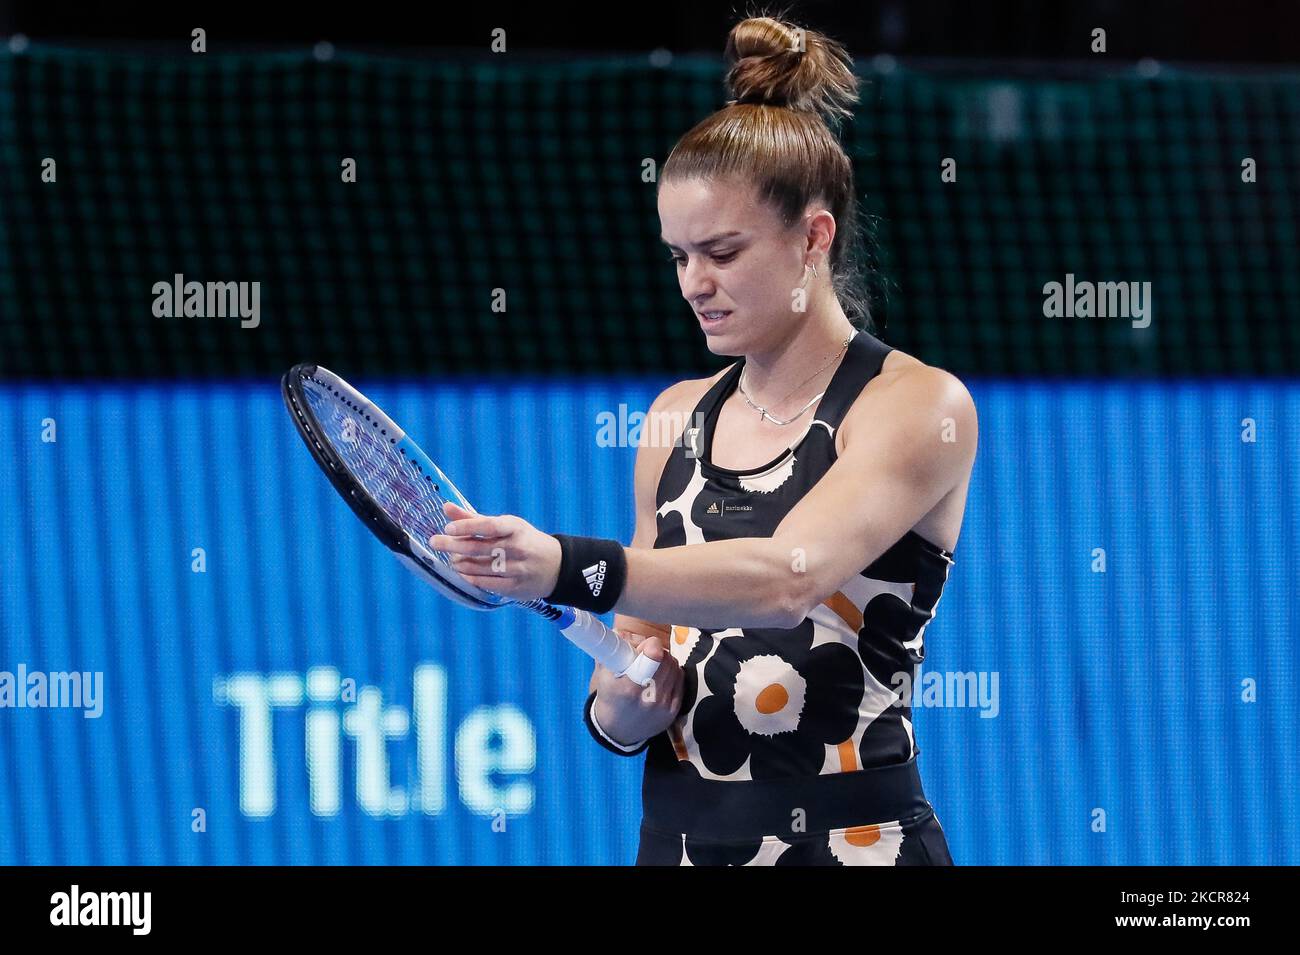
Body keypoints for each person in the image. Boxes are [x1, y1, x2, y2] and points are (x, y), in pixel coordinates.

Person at [429, 12, 977, 865]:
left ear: (813, 236)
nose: (695, 284)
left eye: (721, 251)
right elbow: (632, 668)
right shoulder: (672, 417)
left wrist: (567, 565)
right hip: (679, 843)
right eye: (678, 255)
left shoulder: (913, 404)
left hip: (856, 844)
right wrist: (623, 701)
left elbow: (783, 581)